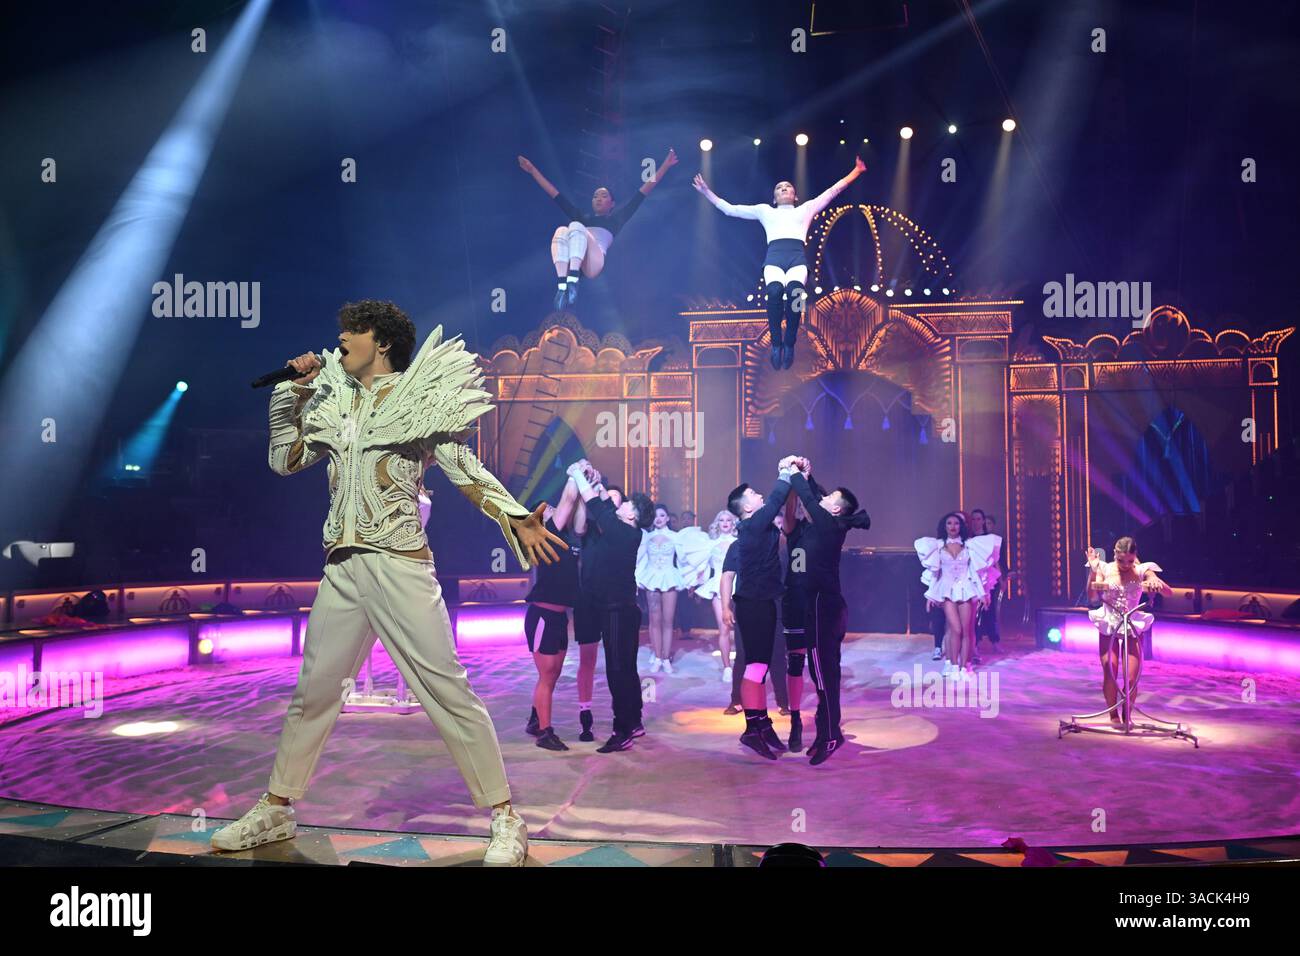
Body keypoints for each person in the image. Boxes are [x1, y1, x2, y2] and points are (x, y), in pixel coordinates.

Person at [211, 299, 565, 867]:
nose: (341, 338)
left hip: (399, 564)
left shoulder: (417, 397)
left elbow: (462, 468)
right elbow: (285, 460)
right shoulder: (329, 395)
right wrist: (293, 393)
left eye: (352, 330)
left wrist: (513, 514)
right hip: (342, 568)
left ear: (381, 340)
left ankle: (506, 819)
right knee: (315, 691)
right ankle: (277, 806)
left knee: (447, 692)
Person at [693, 157, 866, 369]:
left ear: (795, 195)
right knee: (774, 292)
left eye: (788, 187)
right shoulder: (765, 211)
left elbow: (832, 191)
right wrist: (706, 192)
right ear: (774, 198)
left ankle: (789, 342)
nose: (784, 188)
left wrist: (856, 171)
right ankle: (777, 343)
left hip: (796, 257)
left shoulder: (806, 209)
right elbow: (731, 209)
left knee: (795, 294)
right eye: (779, 188)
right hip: (774, 257)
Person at [782, 457, 870, 764]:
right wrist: (807, 473)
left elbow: (808, 498)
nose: (824, 498)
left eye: (830, 498)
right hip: (818, 606)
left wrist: (793, 473)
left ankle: (831, 735)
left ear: (836, 508)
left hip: (825, 608)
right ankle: (827, 732)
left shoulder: (831, 526)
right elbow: (811, 496)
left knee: (823, 675)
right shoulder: (823, 524)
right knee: (822, 674)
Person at [566, 461, 656, 752]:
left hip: (617, 610)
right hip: (624, 608)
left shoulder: (622, 532)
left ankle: (622, 729)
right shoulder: (629, 532)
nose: (623, 503)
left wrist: (577, 474)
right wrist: (597, 479)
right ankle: (635, 722)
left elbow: (596, 503)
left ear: (632, 515)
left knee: (618, 670)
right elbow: (602, 498)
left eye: (627, 503)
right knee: (627, 668)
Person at [518, 149, 678, 310]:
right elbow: (555, 194)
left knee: (575, 225)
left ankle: (573, 280)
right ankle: (562, 285)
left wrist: (665, 165)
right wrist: (533, 171)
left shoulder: (616, 219)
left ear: (612, 203)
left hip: (594, 262)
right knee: (561, 230)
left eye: (603, 196)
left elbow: (644, 191)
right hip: (577, 261)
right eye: (595, 196)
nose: (598, 199)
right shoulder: (582, 217)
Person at [725, 459, 798, 759]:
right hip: (753, 604)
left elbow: (783, 510)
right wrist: (786, 468)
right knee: (755, 667)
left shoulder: (760, 524)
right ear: (746, 507)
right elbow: (778, 497)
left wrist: (796, 476)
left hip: (762, 602)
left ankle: (760, 724)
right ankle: (753, 727)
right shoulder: (752, 524)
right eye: (754, 494)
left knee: (759, 667)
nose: (759, 495)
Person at [523, 478, 583, 751]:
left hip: (559, 618)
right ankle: (545, 733)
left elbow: (577, 509)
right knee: (547, 675)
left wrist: (585, 487)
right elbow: (569, 499)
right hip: (543, 616)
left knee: (553, 674)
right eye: (548, 508)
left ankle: (536, 719)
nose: (555, 508)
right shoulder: (546, 534)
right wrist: (576, 473)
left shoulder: (568, 539)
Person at [1085, 537, 1171, 725]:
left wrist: (1154, 579)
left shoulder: (1142, 569)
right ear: (1115, 554)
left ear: (1135, 557)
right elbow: (1092, 596)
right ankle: (1113, 715)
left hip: (1131, 624)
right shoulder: (1105, 568)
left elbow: (1168, 592)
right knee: (1110, 669)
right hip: (1110, 623)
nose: (1126, 565)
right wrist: (1093, 571)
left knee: (1131, 677)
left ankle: (1127, 714)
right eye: (1121, 560)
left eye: (1130, 561)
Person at [914, 513, 1000, 681]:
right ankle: (953, 664)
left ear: (961, 526)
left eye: (956, 523)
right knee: (955, 628)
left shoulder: (969, 546)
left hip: (966, 589)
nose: (953, 526)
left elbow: (974, 572)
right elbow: (935, 573)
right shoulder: (938, 546)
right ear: (944, 526)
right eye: (949, 523)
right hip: (947, 590)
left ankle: (965, 666)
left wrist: (983, 593)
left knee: (967, 629)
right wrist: (930, 595)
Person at [637, 504, 685, 673]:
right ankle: (657, 657)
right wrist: (637, 578)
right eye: (656, 516)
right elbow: (640, 558)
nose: (659, 518)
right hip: (651, 578)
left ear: (667, 518)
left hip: (669, 577)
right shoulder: (646, 537)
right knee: (654, 620)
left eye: (662, 515)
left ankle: (666, 658)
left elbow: (683, 560)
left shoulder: (675, 537)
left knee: (668, 621)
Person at [695, 510, 738, 681]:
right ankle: (727, 667)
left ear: (733, 523)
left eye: (728, 520)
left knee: (741, 631)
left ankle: (743, 664)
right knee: (724, 629)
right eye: (722, 520)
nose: (725, 523)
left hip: (739, 586)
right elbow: (703, 567)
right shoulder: (710, 544)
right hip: (717, 586)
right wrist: (696, 581)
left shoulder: (739, 542)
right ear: (717, 523)